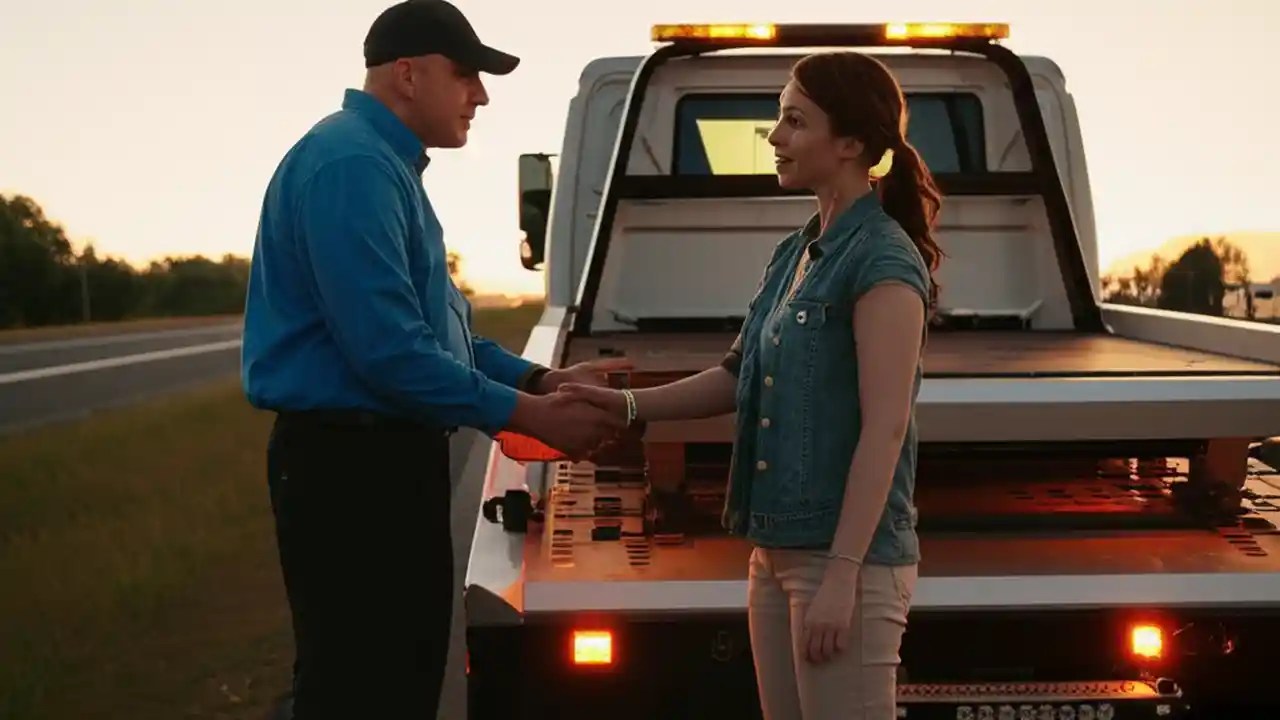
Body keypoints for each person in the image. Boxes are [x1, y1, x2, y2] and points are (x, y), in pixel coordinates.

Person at [240, 1, 626, 717]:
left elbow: (447, 339)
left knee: (402, 676)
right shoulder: (352, 166)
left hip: (380, 464)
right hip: (350, 473)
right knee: (363, 687)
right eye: (466, 74)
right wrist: (530, 414)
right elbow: (389, 353)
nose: (479, 95)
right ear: (408, 74)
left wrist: (543, 378)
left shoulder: (384, 167)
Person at [563, 51, 942, 720]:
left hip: (842, 560)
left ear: (851, 143)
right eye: (779, 119)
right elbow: (735, 375)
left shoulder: (883, 259)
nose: (774, 137)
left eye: (794, 121)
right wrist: (625, 405)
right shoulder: (795, 251)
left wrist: (843, 575)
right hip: (775, 552)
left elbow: (886, 428)